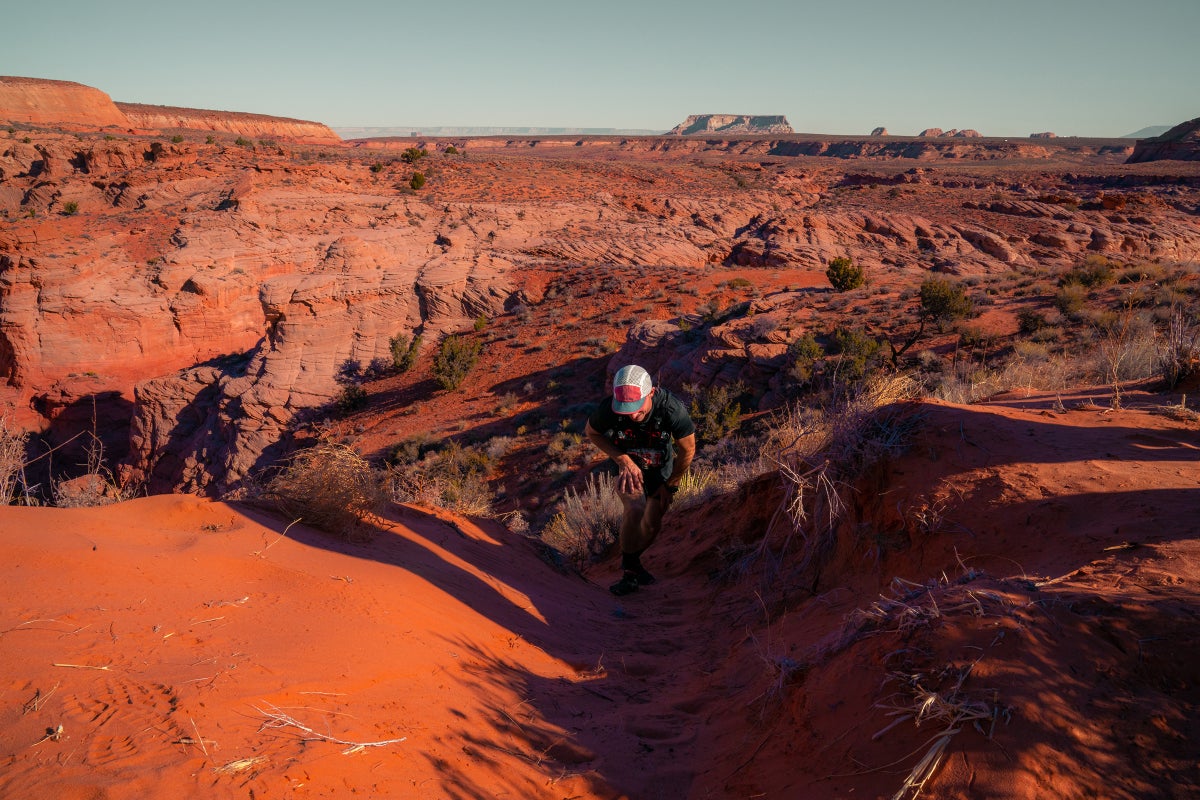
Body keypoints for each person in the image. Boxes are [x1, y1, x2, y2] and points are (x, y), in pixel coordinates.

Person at [585, 364, 696, 596]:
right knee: (635, 508)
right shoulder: (609, 409)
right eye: (625, 409)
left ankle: (634, 562)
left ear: (651, 393)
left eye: (636, 407)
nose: (632, 415)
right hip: (629, 471)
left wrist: (672, 483)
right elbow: (592, 432)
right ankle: (630, 573)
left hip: (661, 473)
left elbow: (688, 450)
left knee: (652, 523)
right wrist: (623, 459)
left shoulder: (671, 410)